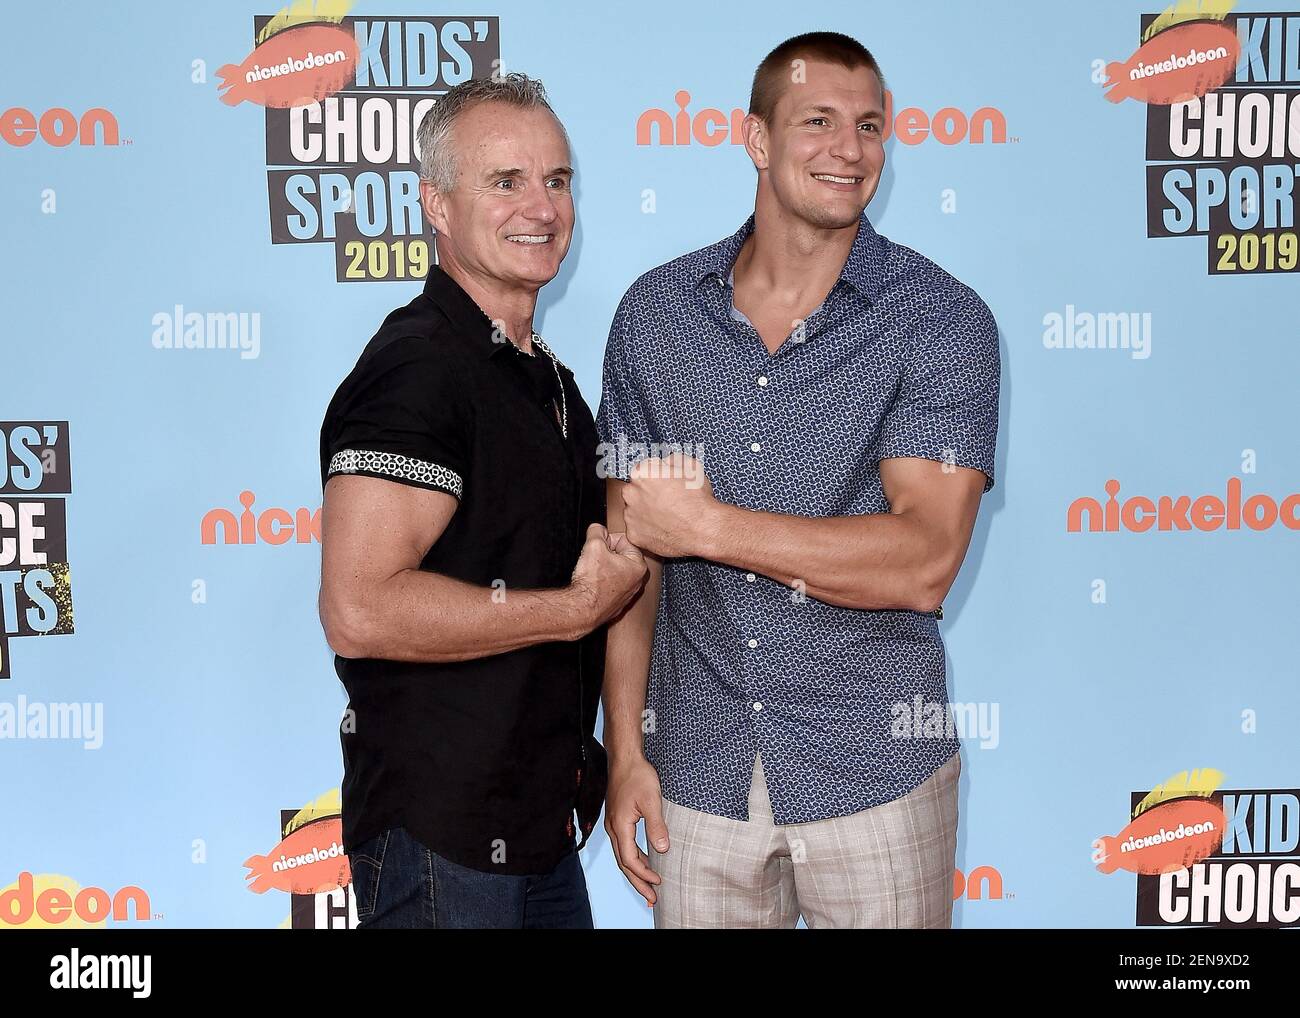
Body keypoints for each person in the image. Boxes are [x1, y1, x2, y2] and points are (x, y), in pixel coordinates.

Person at [597, 32, 1000, 928]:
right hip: (695, 776)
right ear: (757, 140)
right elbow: (630, 558)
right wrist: (624, 750)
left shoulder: (941, 321)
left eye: (869, 126)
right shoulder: (654, 316)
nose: (848, 151)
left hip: (875, 770)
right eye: (817, 122)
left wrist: (706, 526)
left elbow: (925, 559)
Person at [317, 73, 647, 929]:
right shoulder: (419, 369)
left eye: (558, 180)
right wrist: (573, 609)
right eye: (505, 181)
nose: (541, 206)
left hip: (538, 833)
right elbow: (360, 608)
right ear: (436, 204)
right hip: (443, 838)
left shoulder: (552, 385)